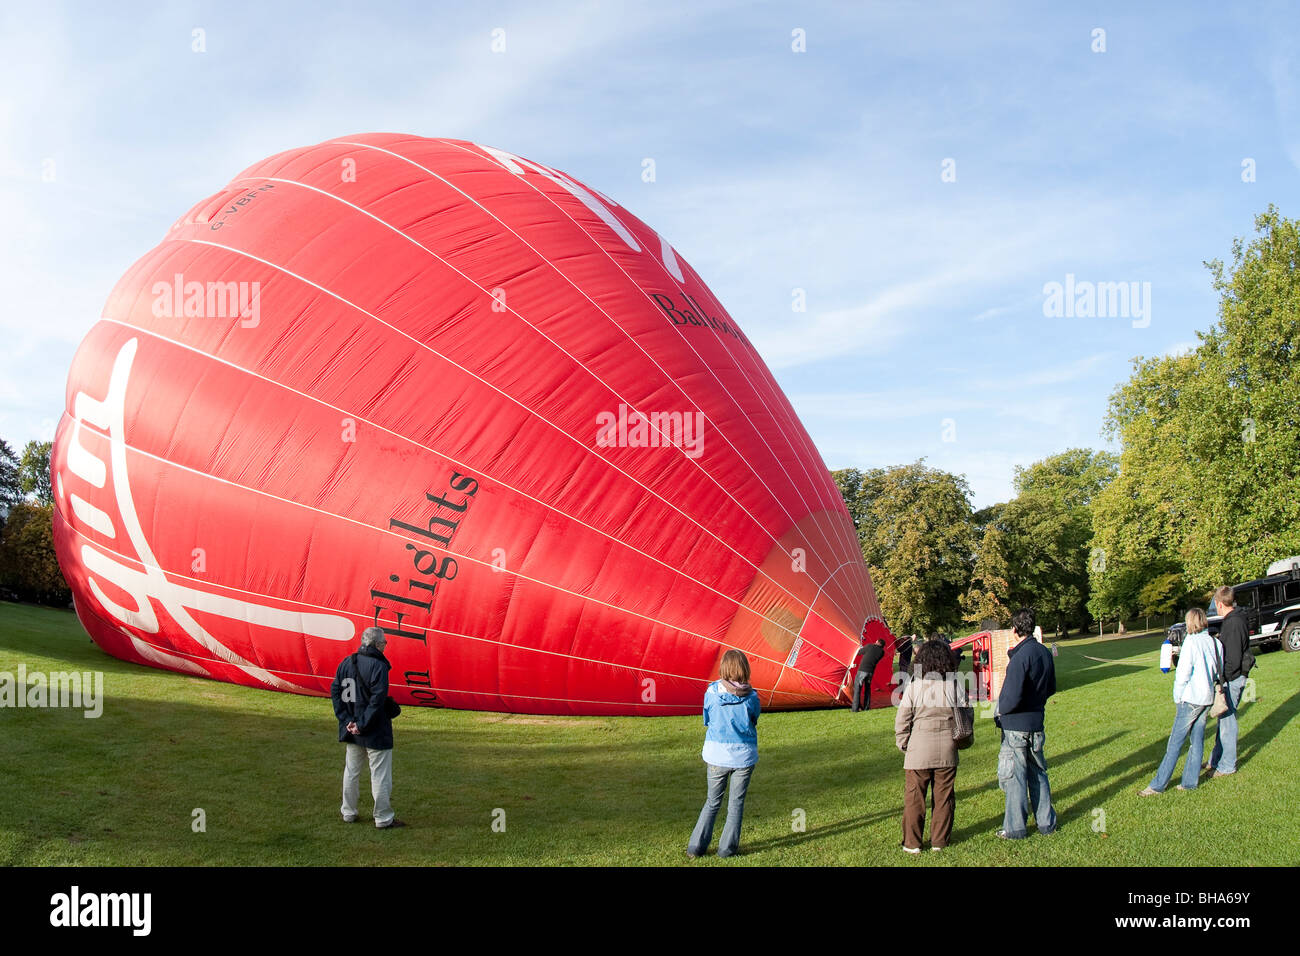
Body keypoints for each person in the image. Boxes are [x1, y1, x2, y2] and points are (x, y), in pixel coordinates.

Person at [1139, 608, 1222, 795]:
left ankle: (1158, 785)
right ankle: (1189, 782)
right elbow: (1218, 670)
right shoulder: (1215, 642)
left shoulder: (1191, 643)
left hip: (1191, 699)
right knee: (1197, 740)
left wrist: (1178, 697)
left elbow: (1182, 674)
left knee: (1175, 744)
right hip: (1207, 698)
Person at [894, 638, 966, 852]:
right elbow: (964, 714)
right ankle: (940, 841)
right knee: (944, 797)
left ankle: (912, 843)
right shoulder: (954, 686)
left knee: (914, 798)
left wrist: (903, 742)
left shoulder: (914, 688)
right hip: (947, 748)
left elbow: (903, 719)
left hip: (918, 749)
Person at [687, 649, 760, 858]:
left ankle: (695, 847)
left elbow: (706, 718)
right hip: (743, 756)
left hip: (716, 755)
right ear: (745, 668)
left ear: (724, 668)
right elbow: (753, 719)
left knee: (712, 801)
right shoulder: (752, 697)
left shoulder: (711, 693)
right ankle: (727, 849)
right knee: (736, 804)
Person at [331, 626, 405, 828]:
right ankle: (383, 818)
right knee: (380, 775)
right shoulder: (378, 666)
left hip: (352, 729)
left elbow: (335, 692)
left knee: (351, 772)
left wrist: (347, 721)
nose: (386, 645)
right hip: (374, 730)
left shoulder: (346, 662)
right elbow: (377, 701)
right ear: (378, 644)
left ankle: (348, 812)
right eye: (384, 642)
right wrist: (362, 725)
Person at [994, 608, 1057, 839]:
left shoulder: (1020, 658)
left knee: (1015, 777)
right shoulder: (1043, 652)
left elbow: (1010, 697)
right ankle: (1046, 823)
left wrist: (999, 713)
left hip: (1016, 726)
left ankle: (1015, 827)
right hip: (1036, 723)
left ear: (1014, 630)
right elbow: (1051, 687)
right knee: (1038, 773)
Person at [1207, 586, 1249, 777]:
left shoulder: (1233, 624)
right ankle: (1215, 760)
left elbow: (1233, 658)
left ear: (1219, 603)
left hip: (1233, 678)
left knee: (1227, 723)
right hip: (1233, 677)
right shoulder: (1236, 618)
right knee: (1222, 720)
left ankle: (1227, 765)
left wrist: (1223, 680)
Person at [850, 637, 887, 712]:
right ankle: (866, 707)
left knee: (857, 689)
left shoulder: (870, 646)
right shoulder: (882, 652)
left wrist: (860, 647)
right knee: (867, 689)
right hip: (870, 672)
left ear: (877, 642)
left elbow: (859, 652)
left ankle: (855, 709)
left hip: (862, 670)